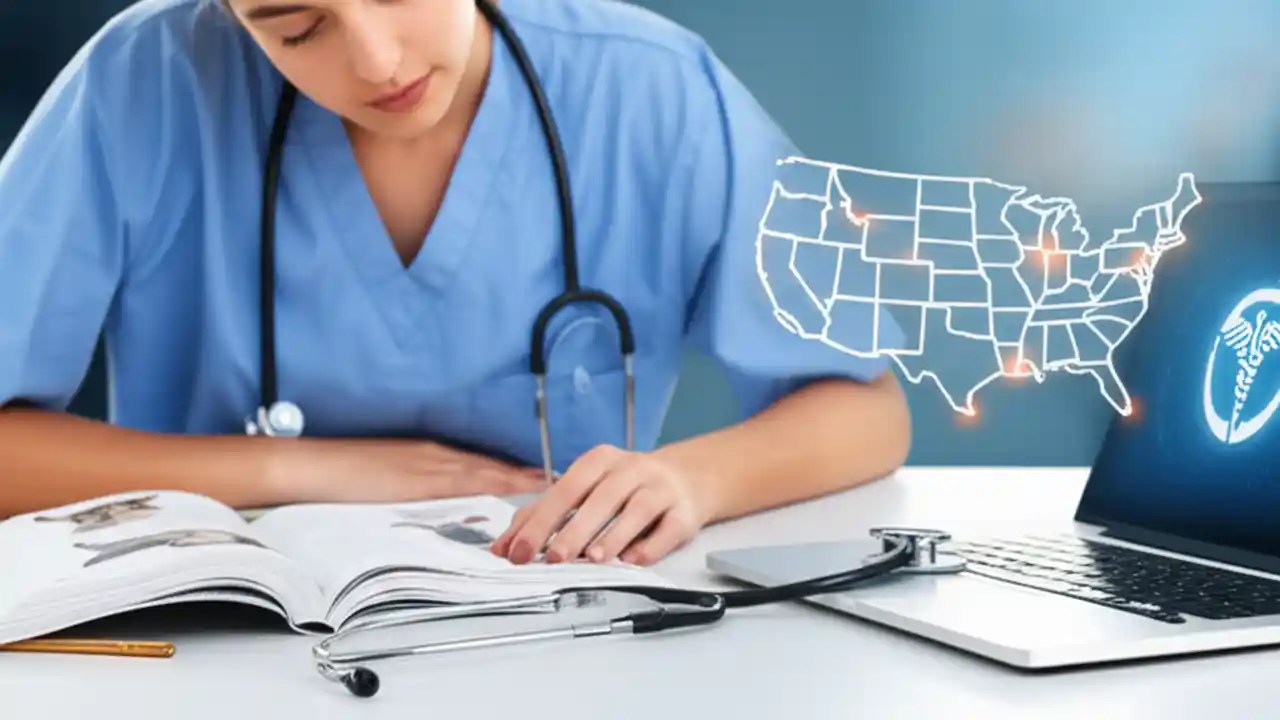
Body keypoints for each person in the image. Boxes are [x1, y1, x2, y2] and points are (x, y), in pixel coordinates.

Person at [0, 0, 911, 566]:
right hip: (215, 642)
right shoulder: (143, 85)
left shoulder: (653, 90)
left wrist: (694, 478)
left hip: (564, 635)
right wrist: (293, 471)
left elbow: (866, 407)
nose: (377, 61)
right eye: (296, 24)